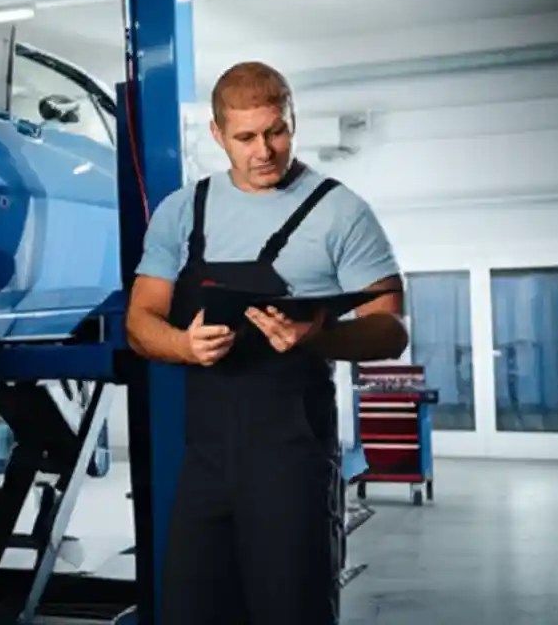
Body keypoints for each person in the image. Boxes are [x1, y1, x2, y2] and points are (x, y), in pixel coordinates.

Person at [125, 61, 409, 623]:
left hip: (294, 464)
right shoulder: (184, 211)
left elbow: (391, 329)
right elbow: (140, 320)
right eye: (246, 137)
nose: (264, 151)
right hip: (206, 461)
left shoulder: (340, 212)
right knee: (190, 610)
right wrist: (185, 346)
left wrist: (319, 335)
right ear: (216, 135)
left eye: (276, 132)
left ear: (293, 121)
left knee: (291, 610)